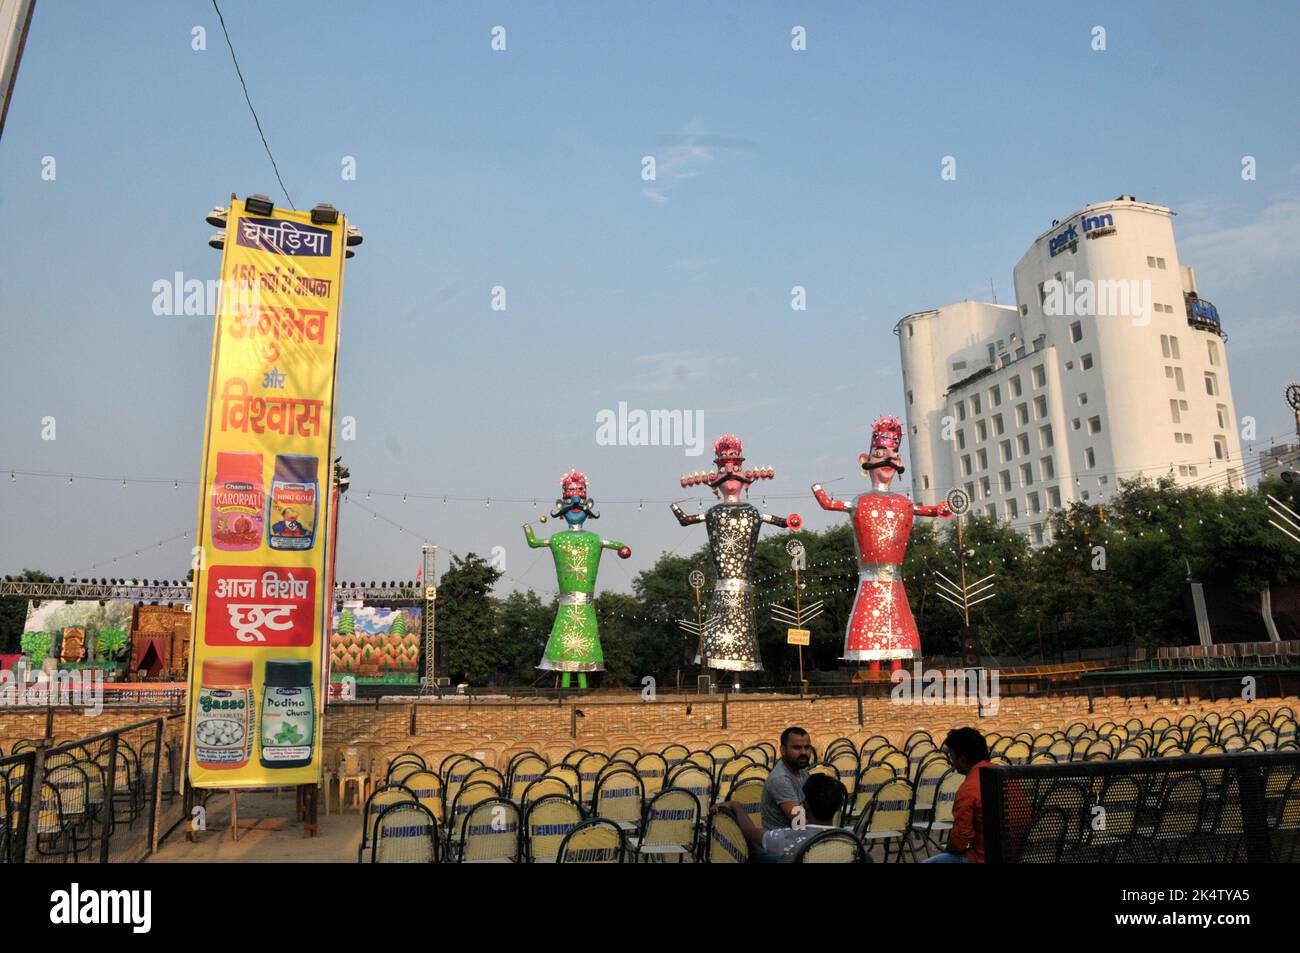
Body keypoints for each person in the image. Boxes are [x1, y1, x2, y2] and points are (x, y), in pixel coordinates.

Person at [716, 773, 852, 862]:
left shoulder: (787, 838)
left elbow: (749, 830)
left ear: (805, 805)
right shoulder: (850, 840)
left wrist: (736, 805)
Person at [923, 727, 991, 863]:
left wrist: (949, 848)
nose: (951, 762)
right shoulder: (1004, 775)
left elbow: (960, 841)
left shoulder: (968, 790)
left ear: (961, 760)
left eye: (952, 757)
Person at [760, 726, 813, 831]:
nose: (803, 752)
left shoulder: (802, 770)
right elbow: (800, 823)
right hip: (781, 841)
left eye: (807, 747)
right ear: (783, 750)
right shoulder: (780, 779)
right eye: (797, 748)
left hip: (797, 835)